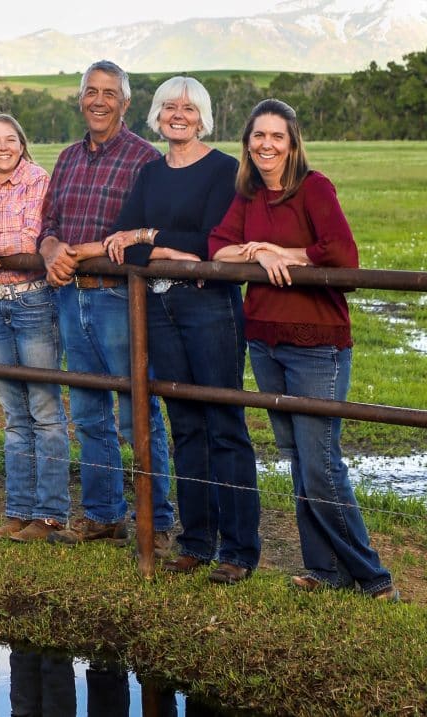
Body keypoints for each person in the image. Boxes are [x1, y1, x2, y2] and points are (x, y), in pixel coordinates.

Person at [209, 98, 398, 600]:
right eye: (258, 136)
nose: (266, 145)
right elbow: (218, 247)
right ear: (247, 143)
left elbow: (342, 254)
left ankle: (372, 575)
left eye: (277, 136)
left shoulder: (314, 188)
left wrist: (283, 254)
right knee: (296, 457)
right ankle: (324, 568)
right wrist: (255, 253)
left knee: (320, 464)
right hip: (265, 341)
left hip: (316, 343)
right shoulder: (249, 194)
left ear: (293, 144)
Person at [102, 76, 261, 584]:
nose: (178, 114)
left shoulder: (224, 170)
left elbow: (213, 242)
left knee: (224, 423)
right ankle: (196, 541)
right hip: (159, 307)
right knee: (186, 424)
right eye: (169, 106)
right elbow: (121, 243)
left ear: (203, 117)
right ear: (156, 114)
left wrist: (151, 237)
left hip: (209, 306)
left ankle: (239, 549)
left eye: (189, 108)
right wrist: (166, 249)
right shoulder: (150, 173)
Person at [38, 60, 174, 549]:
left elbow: (152, 232)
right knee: (88, 410)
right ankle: (102, 514)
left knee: (138, 412)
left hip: (120, 297)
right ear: (80, 99)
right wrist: (50, 249)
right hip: (70, 296)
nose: (98, 101)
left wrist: (86, 251)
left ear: (126, 103)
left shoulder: (145, 159)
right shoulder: (68, 158)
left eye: (109, 93)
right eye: (91, 91)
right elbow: (48, 223)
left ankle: (157, 522)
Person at [0, 113, 70, 540]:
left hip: (32, 300)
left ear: (21, 144)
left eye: (10, 140)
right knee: (14, 412)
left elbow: (30, 238)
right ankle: (18, 511)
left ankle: (51, 515)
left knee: (45, 410)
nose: (2, 147)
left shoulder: (37, 179)